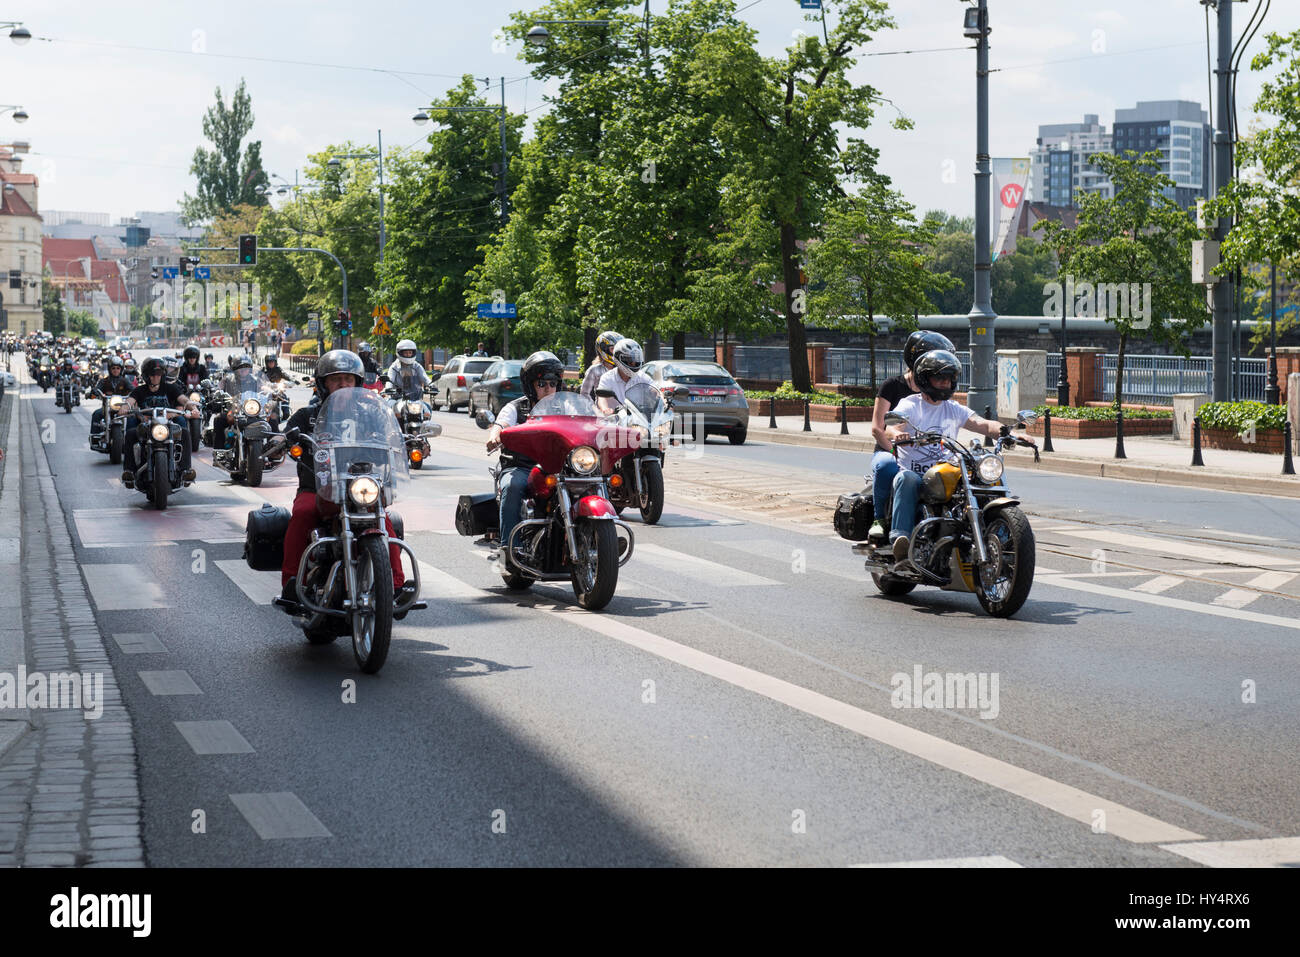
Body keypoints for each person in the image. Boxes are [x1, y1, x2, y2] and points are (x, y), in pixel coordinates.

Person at [279, 350, 410, 607]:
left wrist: (403, 444)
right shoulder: (308, 415)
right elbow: (285, 436)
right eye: (335, 379)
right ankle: (293, 583)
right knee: (303, 514)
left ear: (357, 383)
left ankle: (394, 587)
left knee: (383, 520)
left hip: (361, 486)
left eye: (348, 380)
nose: (342, 385)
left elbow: (391, 439)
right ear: (323, 384)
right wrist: (280, 440)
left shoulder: (370, 413)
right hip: (317, 488)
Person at [886, 349, 1030, 563]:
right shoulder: (911, 404)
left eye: (949, 379)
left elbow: (983, 424)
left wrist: (1009, 433)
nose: (945, 383)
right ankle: (900, 539)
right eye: (940, 378)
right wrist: (897, 433)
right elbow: (890, 427)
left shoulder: (953, 408)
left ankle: (994, 534)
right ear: (925, 379)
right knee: (905, 479)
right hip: (915, 474)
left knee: (981, 479)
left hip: (946, 473)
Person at [867, 330, 956, 543]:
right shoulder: (893, 386)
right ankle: (879, 520)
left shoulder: (937, 389)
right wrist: (895, 449)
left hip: (924, 452)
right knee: (887, 466)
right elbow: (878, 428)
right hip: (889, 448)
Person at [484, 351, 564, 567]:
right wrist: (495, 434)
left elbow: (589, 423)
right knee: (511, 487)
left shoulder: (569, 408)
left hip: (559, 468)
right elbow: (502, 424)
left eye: (553, 383)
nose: (548, 389)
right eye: (542, 384)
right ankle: (509, 549)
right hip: (522, 466)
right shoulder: (516, 407)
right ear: (531, 385)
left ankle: (599, 535)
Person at [122, 357, 197, 485]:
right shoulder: (139, 390)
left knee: (184, 432)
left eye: (158, 374)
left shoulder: (170, 388)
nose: (156, 377)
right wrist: (124, 407)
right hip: (147, 425)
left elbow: (183, 400)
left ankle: (185, 470)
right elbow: (130, 401)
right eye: (152, 375)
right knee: (130, 434)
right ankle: (129, 471)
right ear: (146, 376)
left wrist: (193, 407)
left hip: (167, 424)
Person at [594, 339, 654, 414]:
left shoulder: (642, 377)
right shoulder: (607, 378)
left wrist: (663, 401)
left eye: (636, 360)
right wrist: (605, 409)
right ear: (618, 359)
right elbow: (602, 398)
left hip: (638, 422)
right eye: (630, 360)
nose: (634, 363)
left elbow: (654, 391)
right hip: (612, 422)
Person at [88, 356, 133, 444]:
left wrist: (135, 392)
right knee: (96, 414)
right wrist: (94, 392)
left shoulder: (125, 381)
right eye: (113, 368)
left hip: (122, 408)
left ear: (121, 369)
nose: (115, 370)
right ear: (109, 369)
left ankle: (131, 439)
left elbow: (133, 389)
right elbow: (98, 388)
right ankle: (95, 438)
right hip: (107, 407)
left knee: (132, 417)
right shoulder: (104, 381)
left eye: (118, 368)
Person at [581, 331, 622, 399]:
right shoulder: (594, 370)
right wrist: (594, 408)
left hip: (623, 408)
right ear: (604, 349)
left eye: (618, 349)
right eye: (613, 348)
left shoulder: (623, 369)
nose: (616, 351)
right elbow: (584, 394)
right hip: (603, 407)